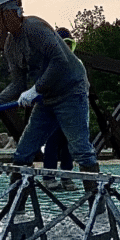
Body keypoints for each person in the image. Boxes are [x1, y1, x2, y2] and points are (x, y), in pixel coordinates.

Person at [0, 0, 99, 180]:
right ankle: (17, 207)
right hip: (47, 99)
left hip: (70, 93)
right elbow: (17, 85)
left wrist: (35, 89)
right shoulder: (11, 46)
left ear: (8, 13)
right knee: (22, 154)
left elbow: (60, 61)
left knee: (81, 150)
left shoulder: (35, 27)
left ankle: (97, 207)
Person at [41, 28, 77, 187]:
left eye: (68, 44)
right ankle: (49, 177)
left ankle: (66, 177)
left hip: (70, 110)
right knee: (52, 142)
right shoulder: (50, 62)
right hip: (54, 109)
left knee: (68, 144)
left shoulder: (75, 63)